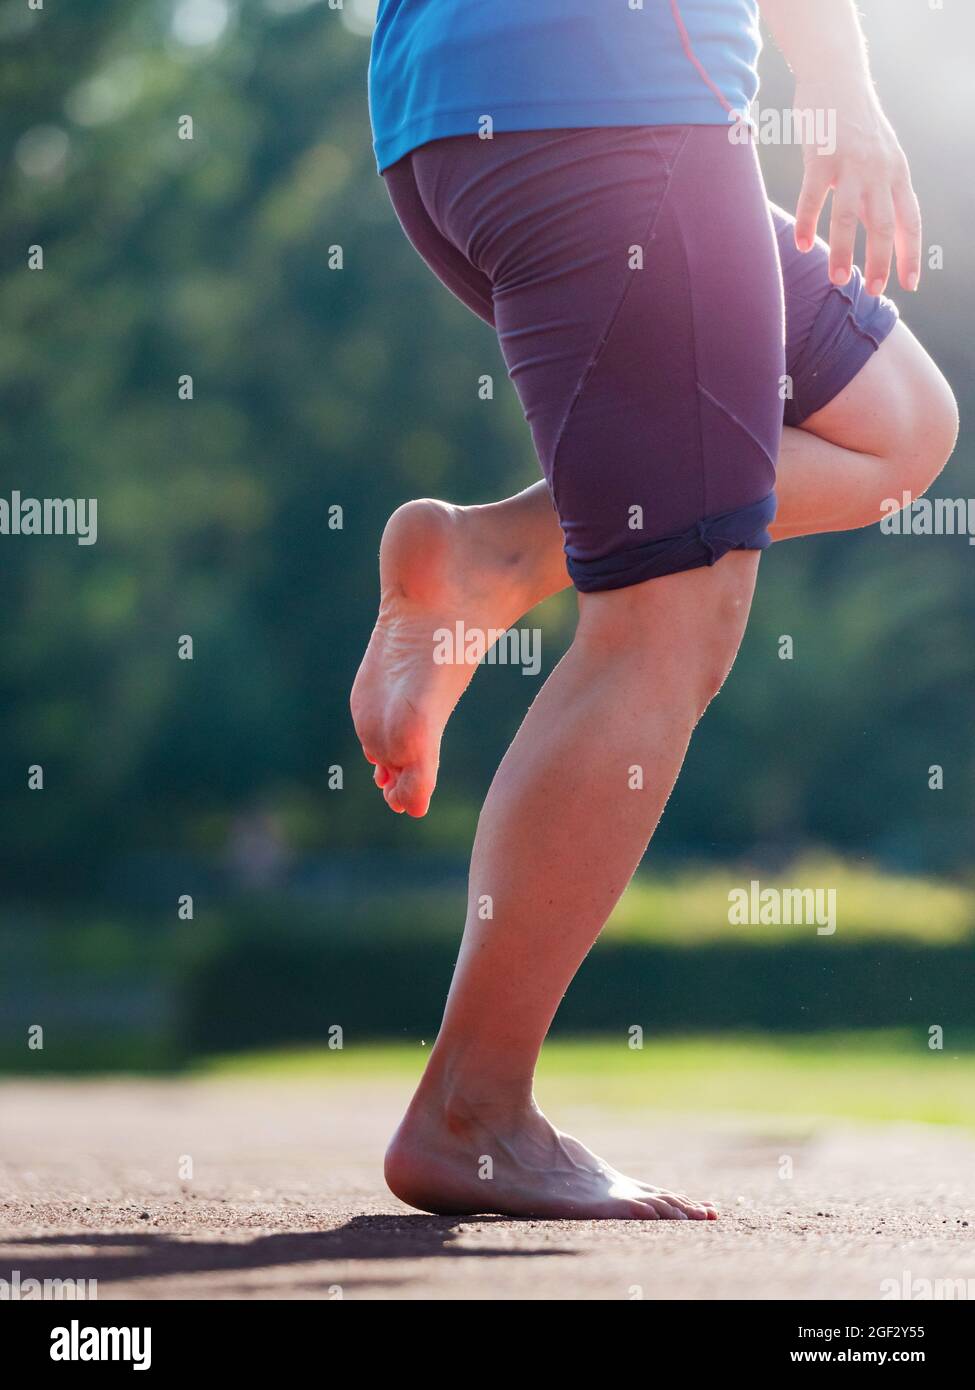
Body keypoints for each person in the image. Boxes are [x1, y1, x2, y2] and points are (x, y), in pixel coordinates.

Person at [351, 0, 958, 1220]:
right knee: (669, 617)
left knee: (900, 423)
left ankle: (501, 556)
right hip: (611, 108)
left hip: (452, 123)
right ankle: (474, 1111)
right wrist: (841, 87)